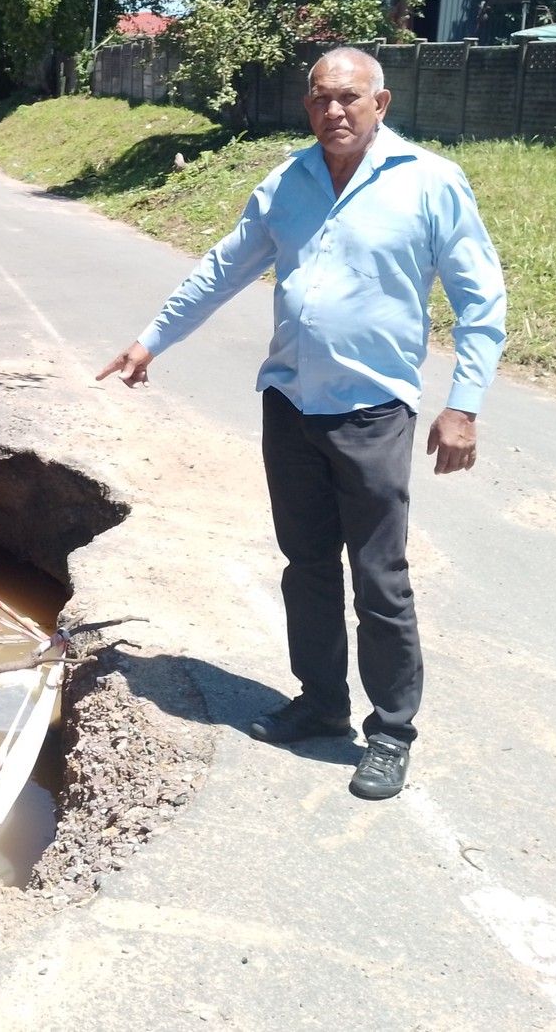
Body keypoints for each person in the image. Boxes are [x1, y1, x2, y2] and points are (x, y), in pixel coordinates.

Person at [96, 48, 506, 801]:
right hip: (290, 406)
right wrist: (154, 337)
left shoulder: (429, 182)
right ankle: (321, 704)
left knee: (379, 579)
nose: (334, 113)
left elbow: (481, 300)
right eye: (321, 99)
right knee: (306, 566)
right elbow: (224, 268)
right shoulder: (288, 180)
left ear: (382, 103)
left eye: (350, 98)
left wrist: (464, 402)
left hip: (373, 411)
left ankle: (390, 732)